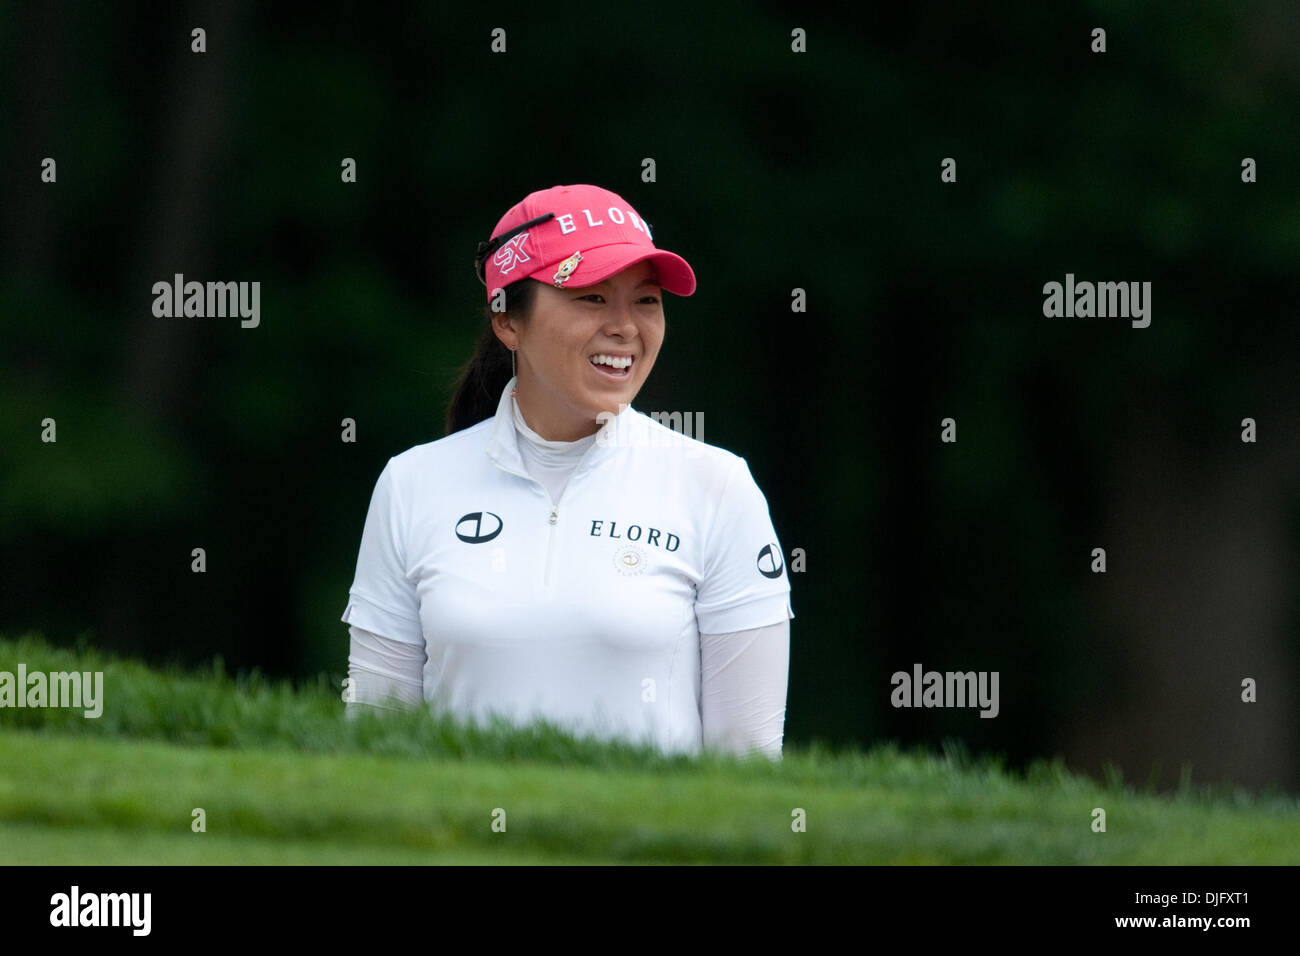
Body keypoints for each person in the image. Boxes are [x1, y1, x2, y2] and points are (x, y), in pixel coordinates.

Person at [341, 183, 793, 759]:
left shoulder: (719, 487)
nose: (626, 327)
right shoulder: (411, 485)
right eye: (592, 298)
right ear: (508, 323)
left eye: (646, 300)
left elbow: (747, 762)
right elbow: (376, 745)